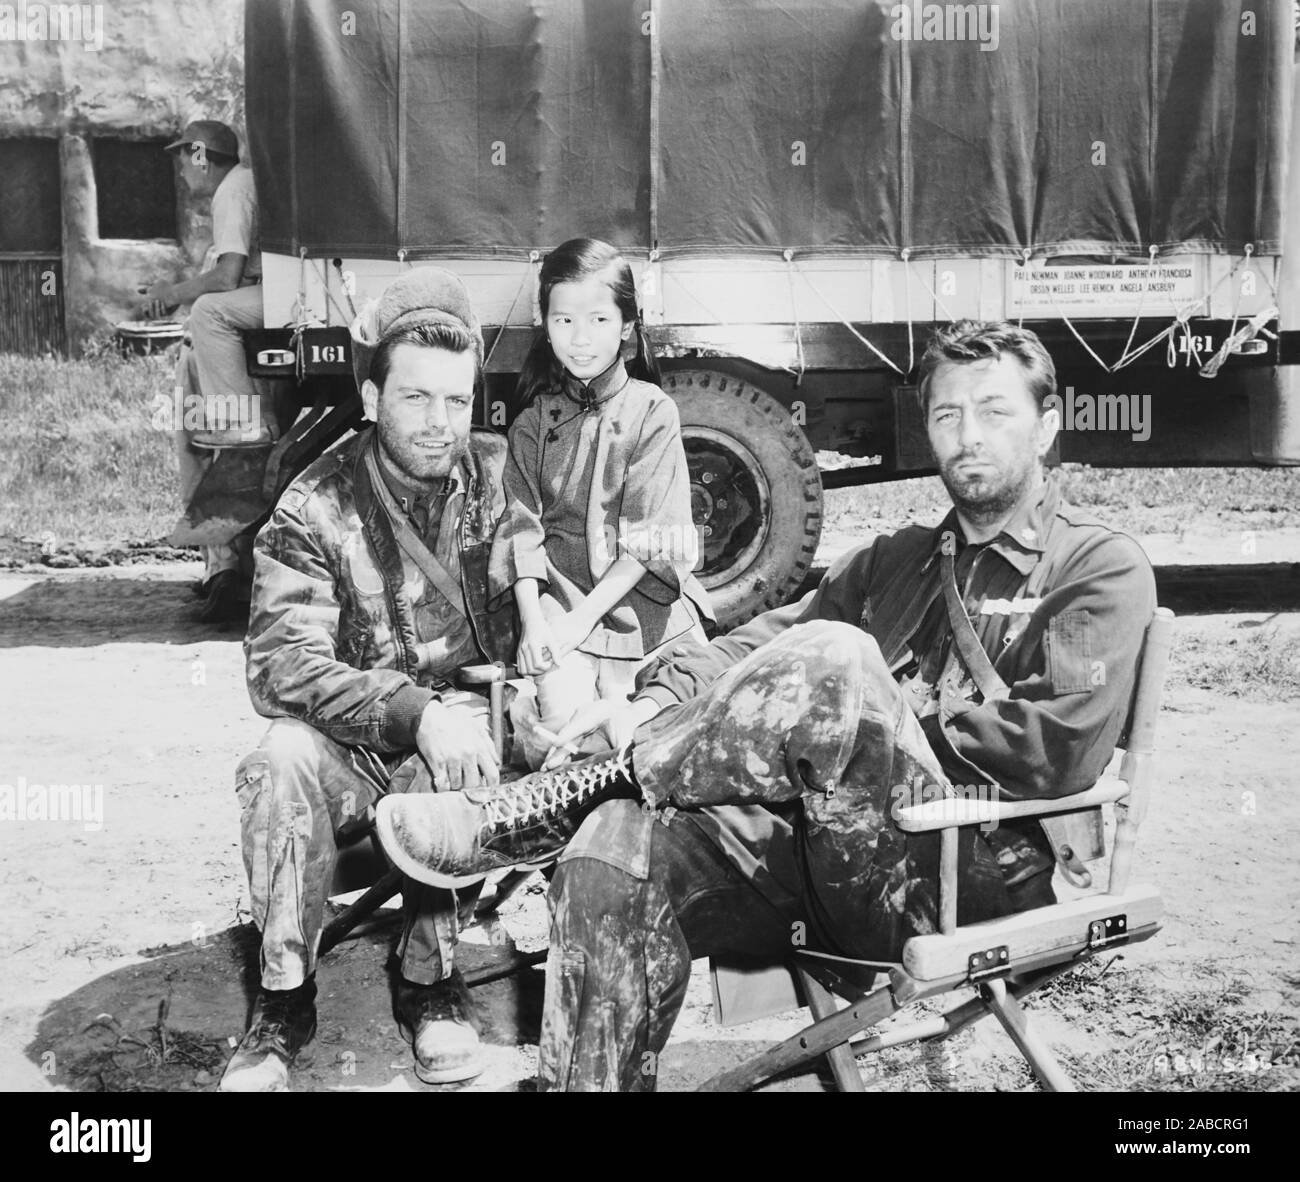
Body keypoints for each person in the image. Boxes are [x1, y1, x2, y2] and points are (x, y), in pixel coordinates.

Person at [375, 320, 1159, 1091]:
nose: (968, 435)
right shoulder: (900, 559)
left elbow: (1059, 750)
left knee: (839, 663)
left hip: (967, 876)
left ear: (1048, 425)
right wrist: (651, 700)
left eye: (995, 411)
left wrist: (860, 715)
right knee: (612, 849)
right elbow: (755, 645)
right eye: (947, 415)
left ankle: (547, 802)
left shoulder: (1098, 565)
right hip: (830, 856)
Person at [219, 267, 517, 1092]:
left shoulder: (498, 480)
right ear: (371, 396)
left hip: (471, 745)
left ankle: (429, 985)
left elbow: (572, 571)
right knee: (279, 757)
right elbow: (281, 666)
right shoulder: (313, 508)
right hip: (354, 751)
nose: (439, 424)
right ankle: (285, 1000)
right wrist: (412, 711)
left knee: (460, 753)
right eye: (416, 398)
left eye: (456, 402)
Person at [489, 238, 711, 768]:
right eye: (564, 321)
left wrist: (581, 622)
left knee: (676, 740)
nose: (580, 339)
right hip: (557, 610)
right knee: (563, 748)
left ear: (628, 326)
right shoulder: (531, 424)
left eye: (598, 320)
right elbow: (521, 533)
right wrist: (537, 624)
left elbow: (649, 541)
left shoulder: (653, 412)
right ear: (544, 324)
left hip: (645, 610)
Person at [138, 119, 282, 623]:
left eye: (183, 156)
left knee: (219, 448)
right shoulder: (239, 190)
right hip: (246, 337)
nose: (181, 169)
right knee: (219, 450)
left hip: (240, 345)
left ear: (202, 154)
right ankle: (231, 571)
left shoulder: (231, 191)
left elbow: (227, 277)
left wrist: (171, 294)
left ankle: (231, 571)